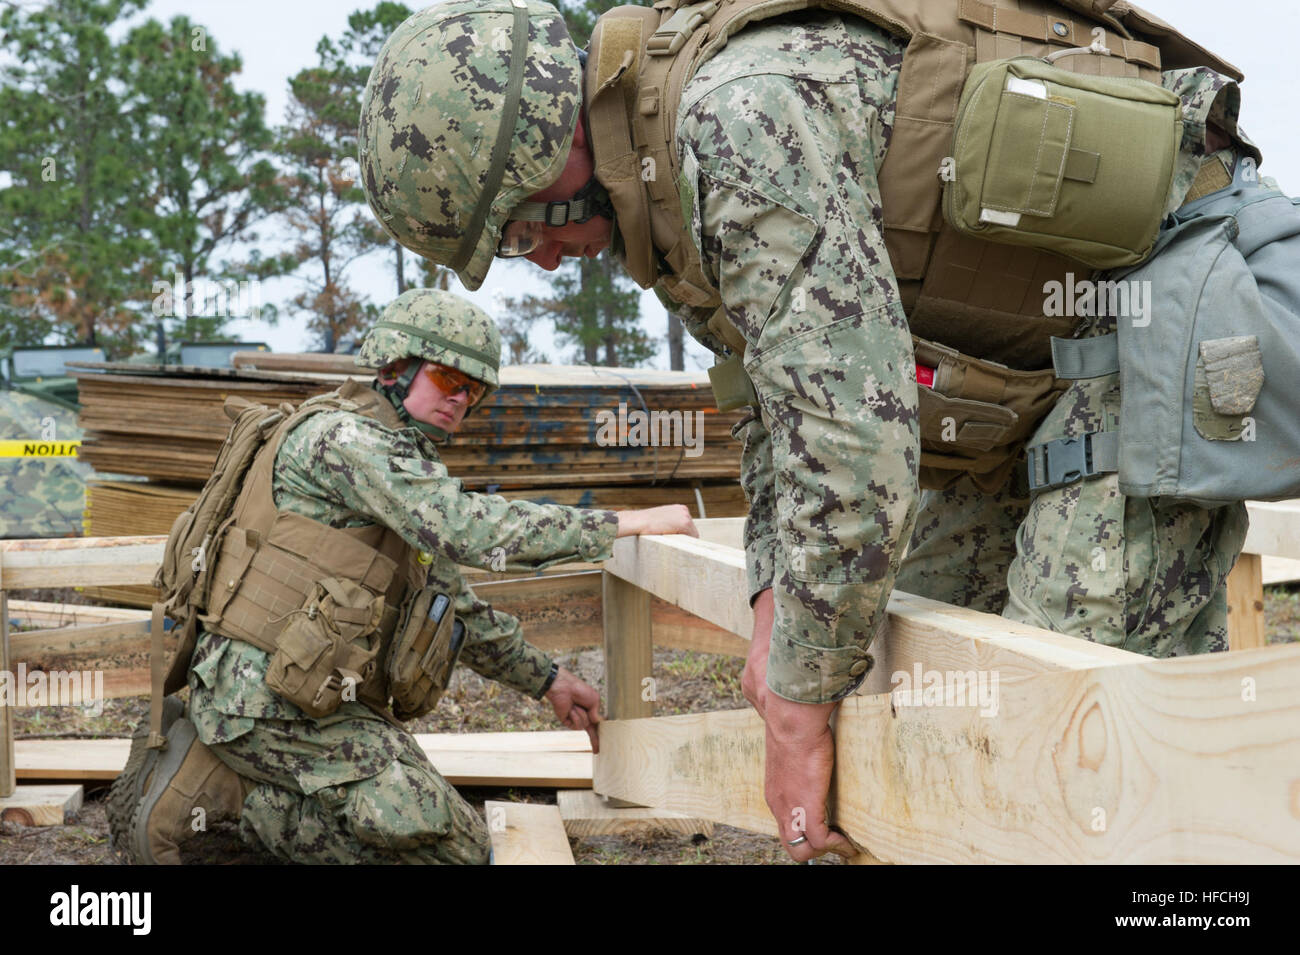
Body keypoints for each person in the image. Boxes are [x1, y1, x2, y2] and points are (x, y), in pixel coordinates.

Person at [356, 0, 1256, 861]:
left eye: (515, 231)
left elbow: (854, 454)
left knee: (1060, 737)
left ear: (544, 146)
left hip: (1163, 314)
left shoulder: (737, 126)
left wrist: (794, 702)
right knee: (915, 698)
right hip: (1031, 381)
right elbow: (769, 414)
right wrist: (769, 606)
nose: (542, 255)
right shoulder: (663, 195)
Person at [111, 288, 698, 864]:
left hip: (308, 696)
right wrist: (624, 521)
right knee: (442, 841)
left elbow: (453, 607)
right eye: (449, 380)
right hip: (260, 699)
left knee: (434, 845)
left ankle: (243, 805)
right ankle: (231, 800)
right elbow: (469, 527)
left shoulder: (396, 464)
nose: (461, 400)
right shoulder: (346, 440)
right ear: (396, 364)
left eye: (474, 391)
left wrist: (550, 681)